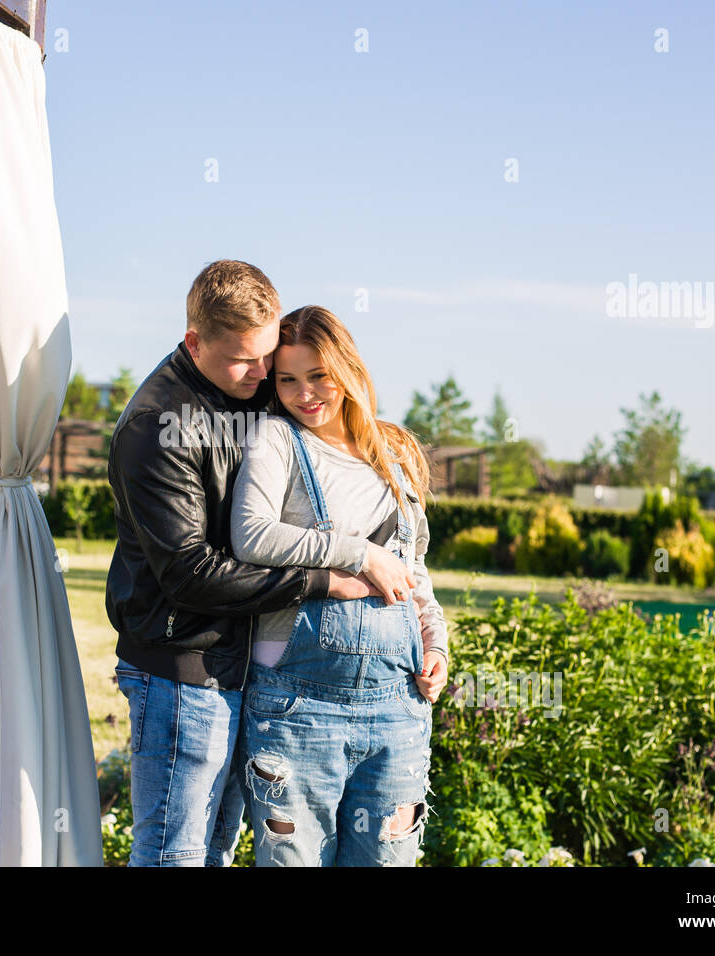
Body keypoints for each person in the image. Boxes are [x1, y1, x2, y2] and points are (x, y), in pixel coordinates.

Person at [105, 260, 438, 867]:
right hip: (185, 667)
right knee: (172, 854)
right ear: (193, 342)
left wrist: (433, 639)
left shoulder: (255, 392)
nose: (263, 377)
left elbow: (406, 557)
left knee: (215, 851)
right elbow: (190, 572)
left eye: (268, 360)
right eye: (247, 362)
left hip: (249, 670)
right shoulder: (159, 429)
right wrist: (328, 576)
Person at [229, 304, 450, 866]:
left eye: (318, 375)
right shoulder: (276, 439)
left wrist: (436, 643)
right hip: (297, 709)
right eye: (287, 380)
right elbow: (251, 535)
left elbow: (414, 568)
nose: (305, 394)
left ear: (347, 369)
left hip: (397, 710)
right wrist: (358, 554)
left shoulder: (393, 452)